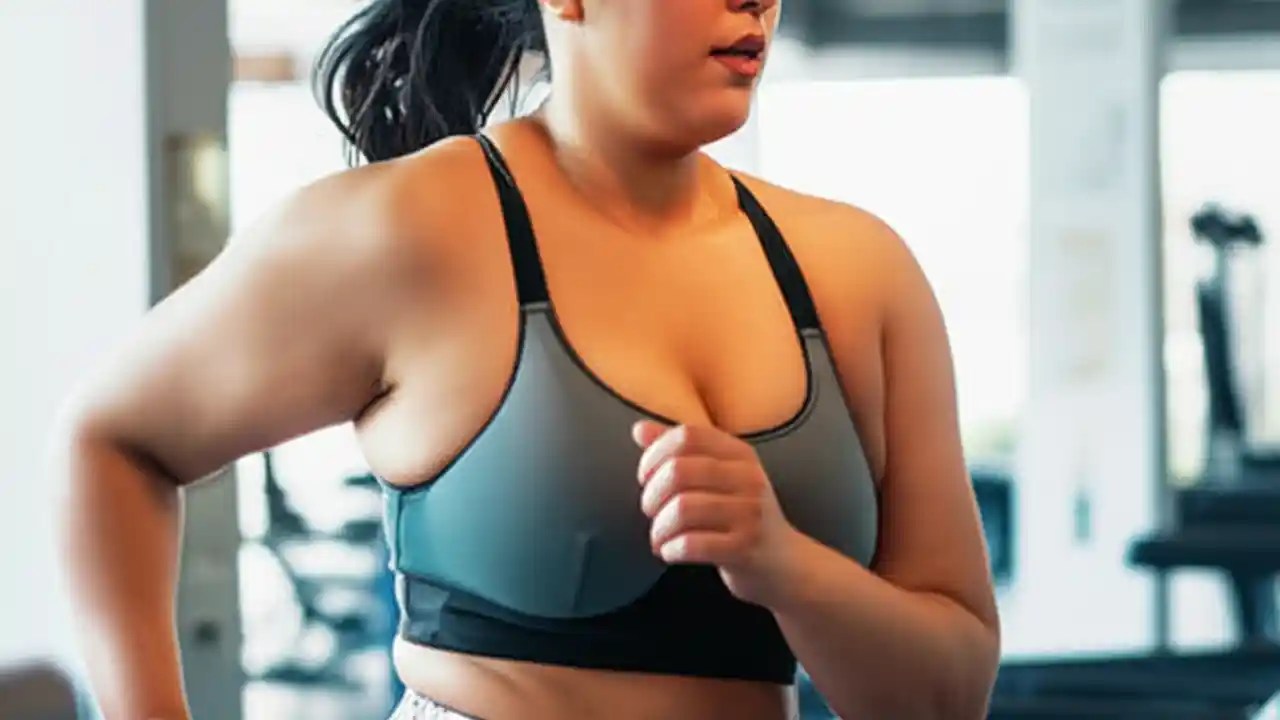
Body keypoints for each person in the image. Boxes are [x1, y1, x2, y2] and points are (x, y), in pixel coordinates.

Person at [52, 0, 1001, 718]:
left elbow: (945, 695)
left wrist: (786, 566)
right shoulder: (409, 232)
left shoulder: (856, 272)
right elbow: (112, 440)